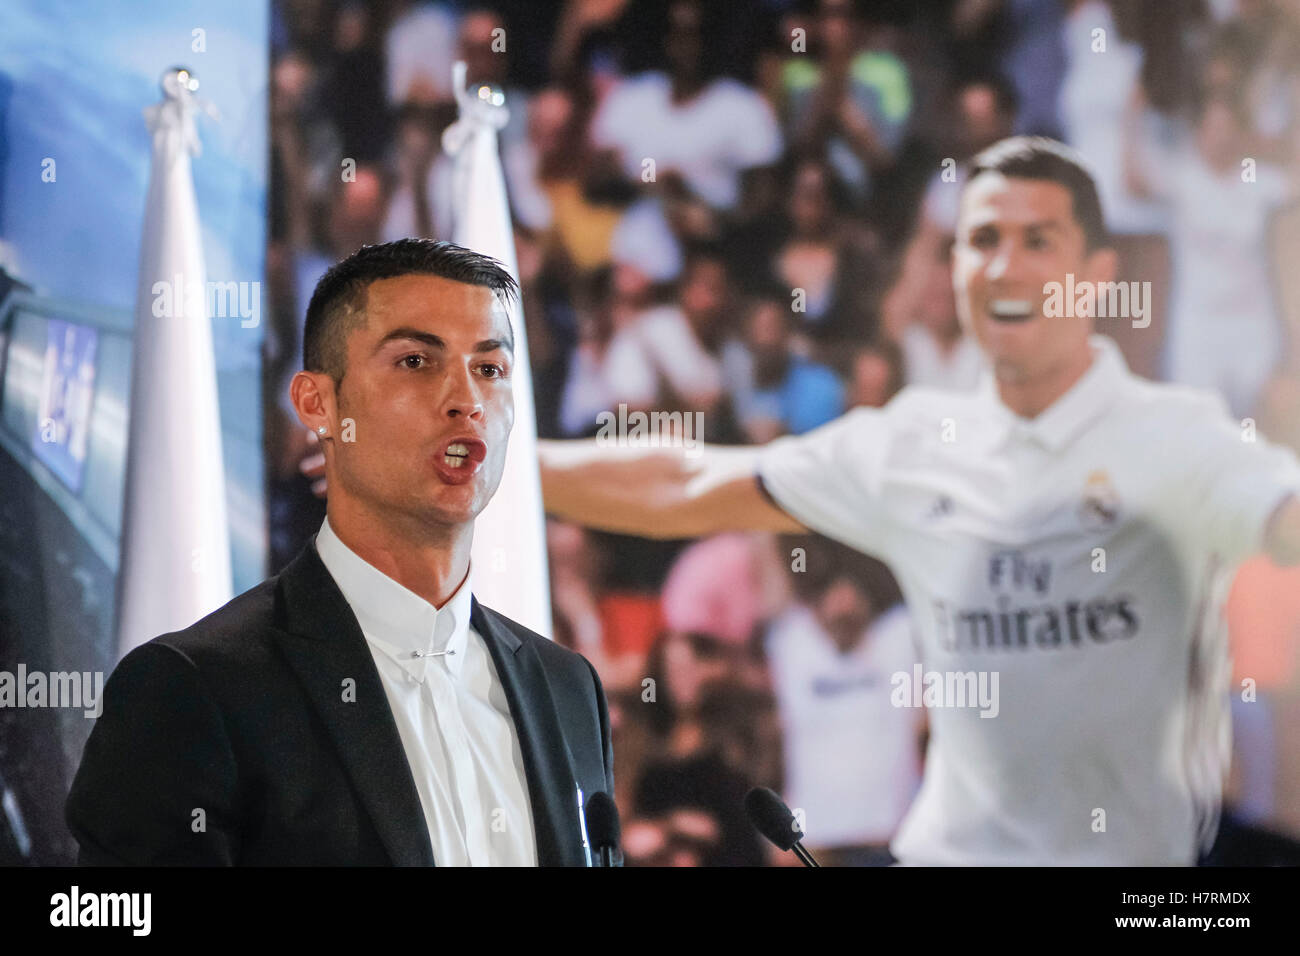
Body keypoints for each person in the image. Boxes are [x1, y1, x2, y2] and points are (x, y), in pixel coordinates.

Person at [540, 137, 1300, 866]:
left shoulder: (1177, 438)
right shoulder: (913, 443)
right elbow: (686, 482)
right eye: (982, 239)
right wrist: (505, 465)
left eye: (1040, 241)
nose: (1005, 266)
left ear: (1097, 273)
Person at [67, 240, 615, 866]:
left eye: (490, 369)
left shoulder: (569, 689)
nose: (467, 399)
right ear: (317, 404)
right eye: (416, 361)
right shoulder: (193, 691)